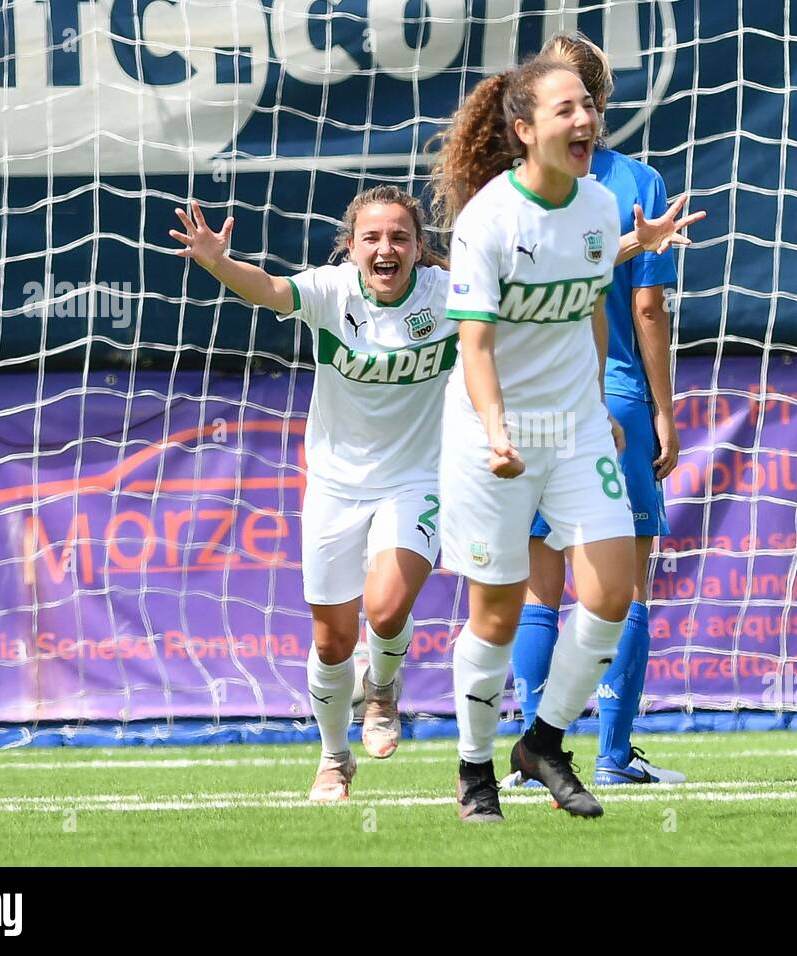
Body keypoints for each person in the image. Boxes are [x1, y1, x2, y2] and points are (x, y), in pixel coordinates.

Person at [429, 55, 698, 822]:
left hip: (578, 428)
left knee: (612, 593)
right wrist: (496, 431)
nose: (585, 121)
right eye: (565, 111)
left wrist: (632, 251)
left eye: (588, 106)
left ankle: (543, 741)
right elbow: (474, 347)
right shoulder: (487, 220)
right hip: (495, 435)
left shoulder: (595, 207)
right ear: (524, 130)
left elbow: (587, 299)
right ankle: (475, 768)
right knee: (497, 614)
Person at [170, 186, 454, 802]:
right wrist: (218, 262)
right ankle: (332, 758)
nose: (387, 248)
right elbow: (270, 289)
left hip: (417, 478)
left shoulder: (448, 295)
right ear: (351, 248)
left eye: (400, 237)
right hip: (334, 484)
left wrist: (622, 250)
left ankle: (382, 689)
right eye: (372, 238)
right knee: (331, 640)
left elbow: (540, 291)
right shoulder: (331, 291)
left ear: (419, 248)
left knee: (385, 608)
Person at [503, 32, 698, 789]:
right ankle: (613, 756)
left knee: (537, 588)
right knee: (621, 586)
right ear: (600, 100)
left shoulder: (514, 185)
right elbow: (646, 307)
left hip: (534, 402)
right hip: (610, 398)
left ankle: (528, 755)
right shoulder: (637, 182)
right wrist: (665, 411)